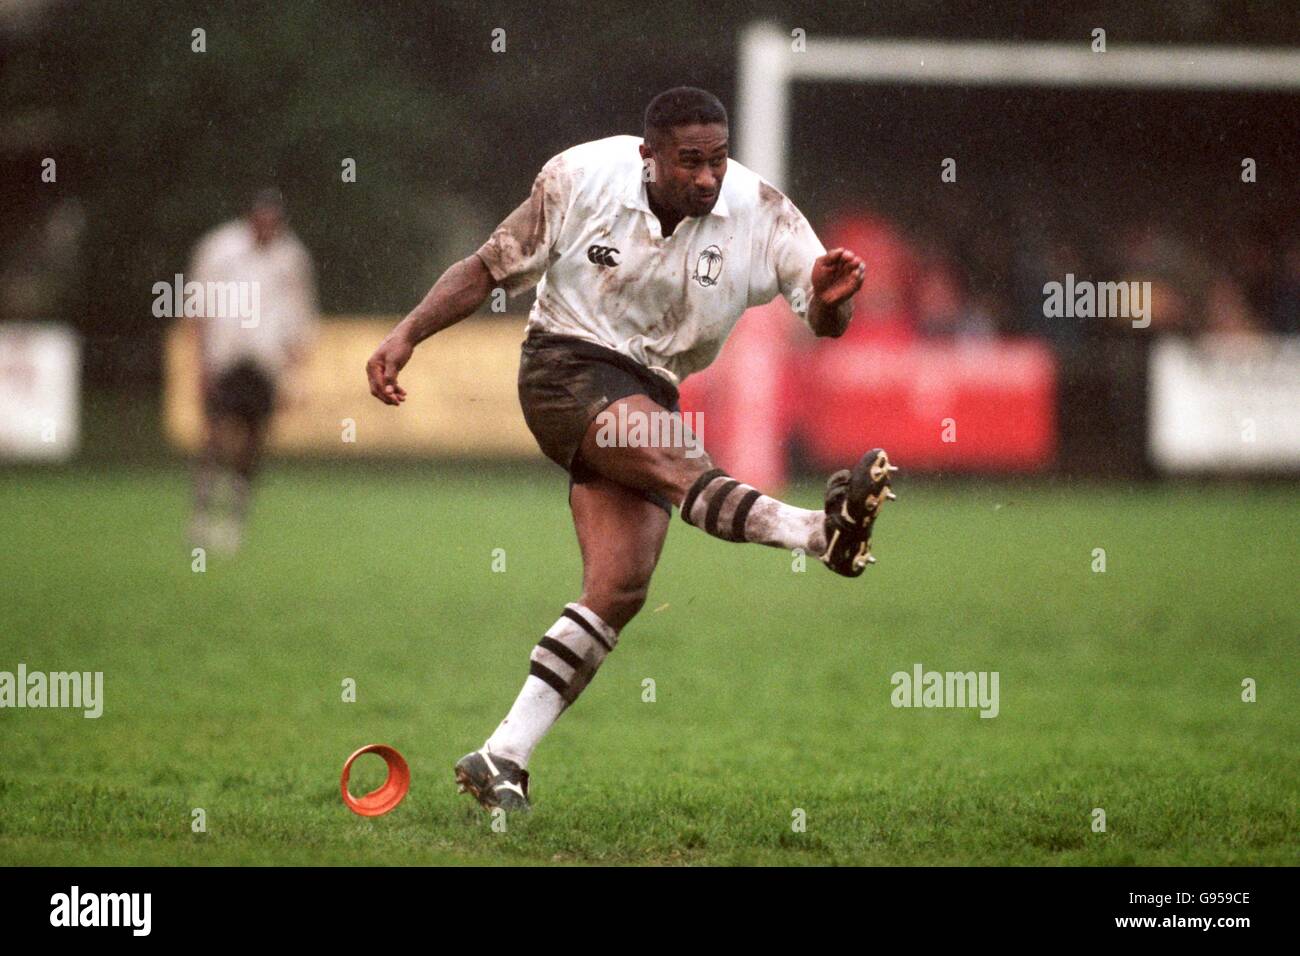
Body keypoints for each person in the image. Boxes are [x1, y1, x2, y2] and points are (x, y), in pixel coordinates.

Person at [365, 88, 894, 811]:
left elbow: (826, 315)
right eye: (689, 163)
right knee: (683, 465)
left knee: (618, 589)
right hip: (563, 371)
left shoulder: (764, 213)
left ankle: (501, 756)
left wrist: (833, 302)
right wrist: (406, 336)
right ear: (650, 156)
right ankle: (817, 532)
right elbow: (488, 268)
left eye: (718, 159)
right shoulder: (582, 177)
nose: (708, 178)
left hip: (651, 387)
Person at [188, 189, 319, 554]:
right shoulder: (219, 249)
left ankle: (234, 522)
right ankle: (200, 516)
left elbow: (299, 315)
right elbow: (198, 305)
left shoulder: (291, 257)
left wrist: (295, 372)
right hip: (226, 355)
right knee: (214, 437)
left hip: (265, 361)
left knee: (253, 442)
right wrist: (201, 363)